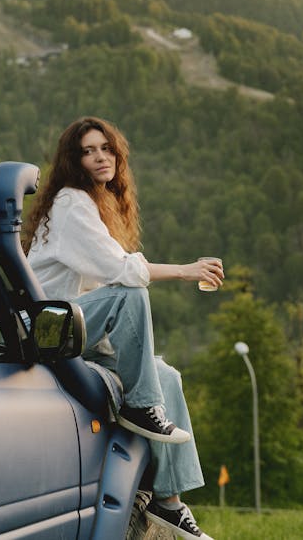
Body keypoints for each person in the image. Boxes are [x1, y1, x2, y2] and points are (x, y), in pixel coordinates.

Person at [25, 116, 223, 540]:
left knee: (166, 376)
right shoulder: (71, 203)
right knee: (130, 293)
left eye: (106, 149)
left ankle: (169, 503)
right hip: (57, 328)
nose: (100, 157)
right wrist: (187, 271)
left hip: (82, 328)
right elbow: (121, 274)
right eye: (88, 151)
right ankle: (139, 407)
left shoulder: (95, 204)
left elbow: (108, 279)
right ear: (74, 161)